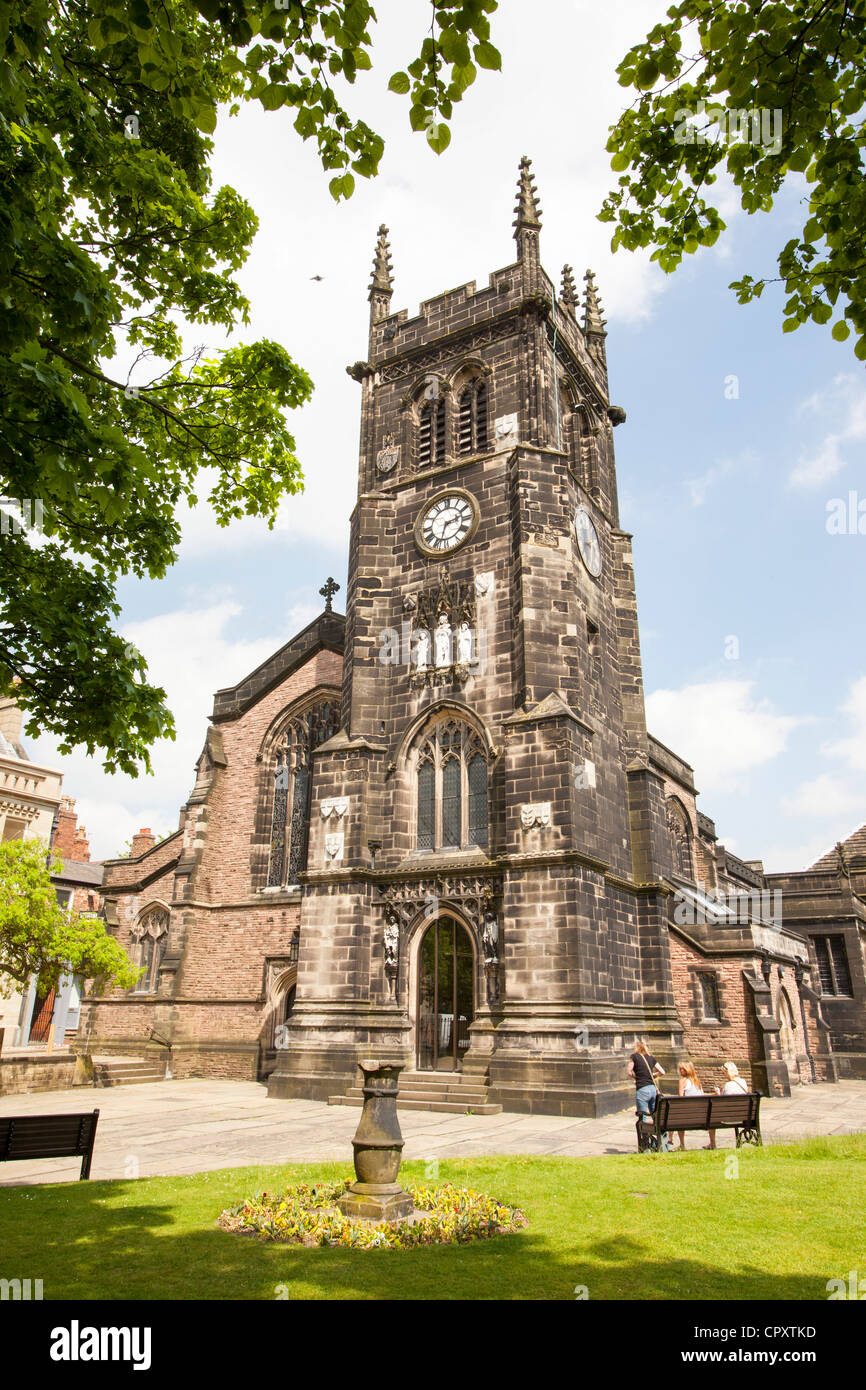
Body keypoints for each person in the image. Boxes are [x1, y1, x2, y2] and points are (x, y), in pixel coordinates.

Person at [628, 1041, 665, 1130]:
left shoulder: (634, 1057)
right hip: (653, 1089)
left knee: (642, 1115)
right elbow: (662, 1072)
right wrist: (653, 1075)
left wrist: (636, 1077)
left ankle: (644, 1139)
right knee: (654, 1115)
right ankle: (661, 1138)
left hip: (642, 1089)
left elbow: (629, 1072)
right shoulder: (651, 1058)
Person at [675, 1061, 704, 1151]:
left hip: (688, 1114)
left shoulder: (682, 1081)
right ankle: (713, 1142)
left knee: (675, 1117)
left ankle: (681, 1144)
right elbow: (703, 1096)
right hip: (700, 1113)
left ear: (687, 1070)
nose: (680, 1071)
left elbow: (680, 1098)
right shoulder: (697, 1081)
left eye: (681, 1069)